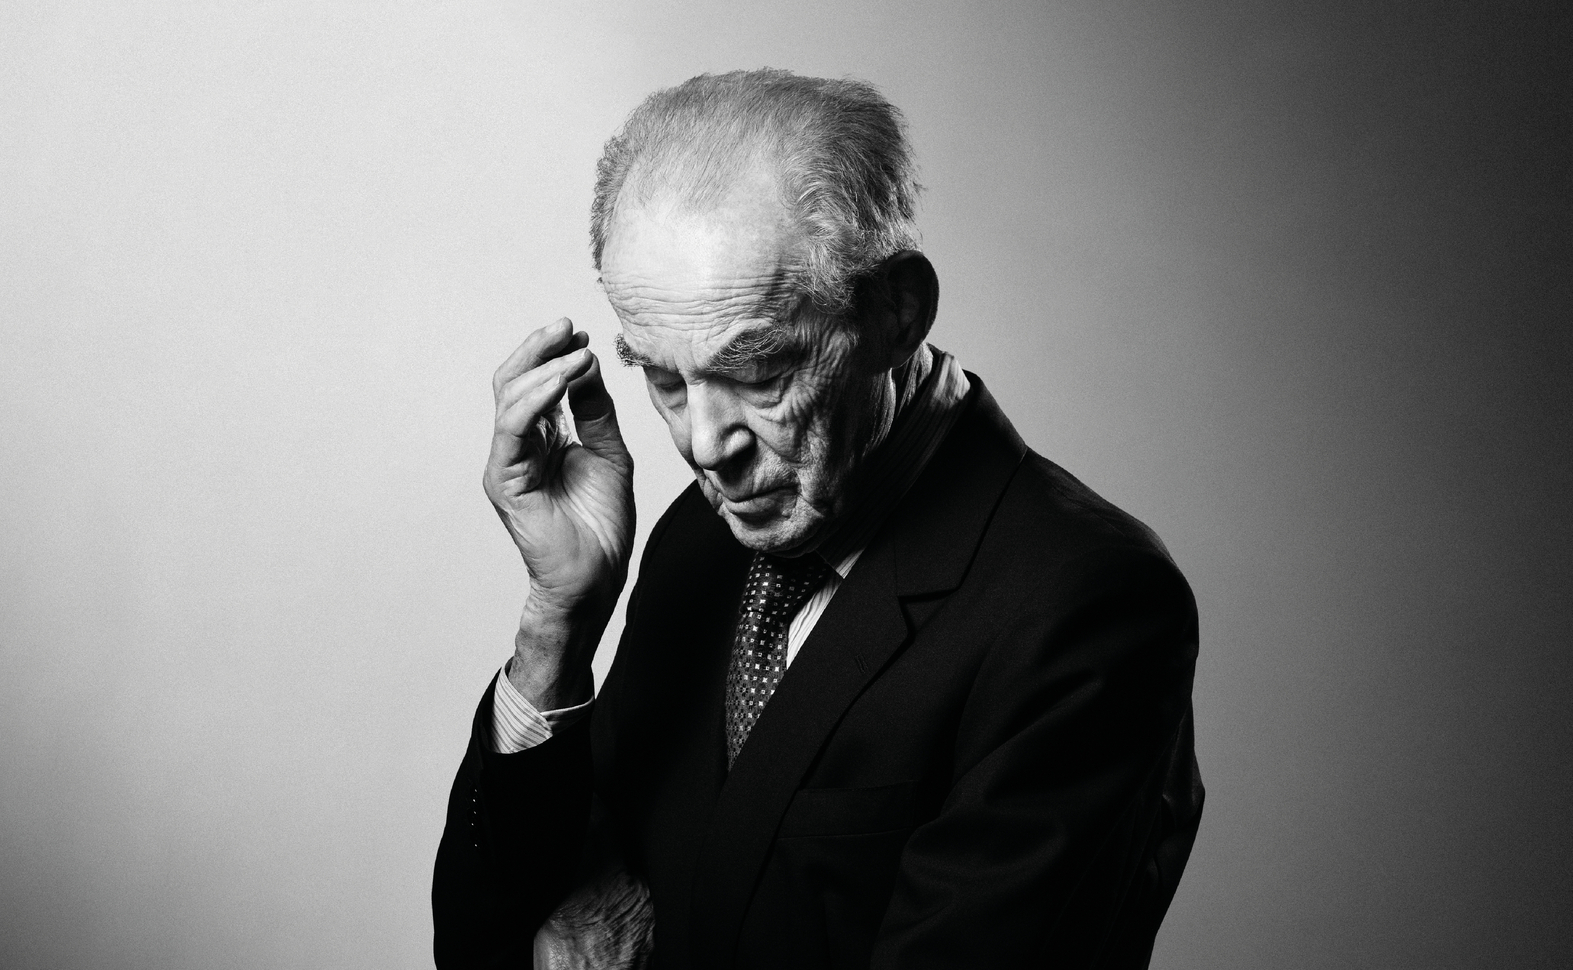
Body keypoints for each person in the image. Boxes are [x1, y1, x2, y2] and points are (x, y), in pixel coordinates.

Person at [432, 69, 1204, 970]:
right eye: (665, 379)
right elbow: (489, 942)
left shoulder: (1086, 605)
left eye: (758, 370)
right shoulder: (699, 536)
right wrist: (558, 620)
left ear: (896, 313)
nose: (705, 444)